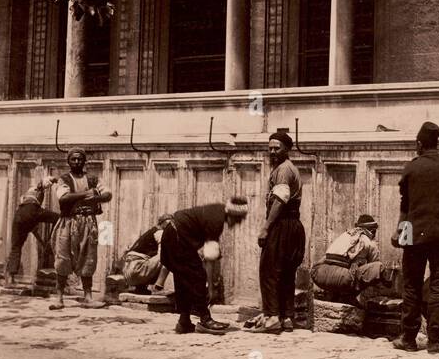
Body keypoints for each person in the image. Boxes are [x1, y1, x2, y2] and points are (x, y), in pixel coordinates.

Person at [394, 121, 439, 354]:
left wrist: (400, 233)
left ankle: (408, 338)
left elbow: (406, 205)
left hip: (414, 231)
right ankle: (434, 338)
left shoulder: (411, 168)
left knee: (411, 283)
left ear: (419, 143)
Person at [160, 197, 249, 335]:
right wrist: (211, 288)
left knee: (184, 279)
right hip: (177, 237)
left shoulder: (218, 212)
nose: (239, 223)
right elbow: (210, 257)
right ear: (233, 214)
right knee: (198, 276)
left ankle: (184, 322)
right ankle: (205, 319)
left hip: (172, 235)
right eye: (239, 219)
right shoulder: (216, 220)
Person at [48, 149, 112, 310]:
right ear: (69, 162)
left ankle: (88, 297)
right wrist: (86, 194)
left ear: (84, 162)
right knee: (63, 258)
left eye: (79, 159)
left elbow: (108, 194)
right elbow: (63, 197)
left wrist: (96, 196)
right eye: (73, 159)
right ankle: (59, 297)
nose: (77, 162)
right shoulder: (63, 179)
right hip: (68, 222)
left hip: (89, 222)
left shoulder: (92, 179)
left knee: (88, 257)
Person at [257, 130, 306, 335]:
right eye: (270, 149)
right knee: (287, 273)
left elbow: (280, 199)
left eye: (277, 148)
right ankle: (287, 318)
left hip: (282, 225)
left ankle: (272, 317)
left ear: (287, 149)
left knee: (269, 271)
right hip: (293, 226)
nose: (273, 152)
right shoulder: (289, 168)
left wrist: (266, 227)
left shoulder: (283, 170)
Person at [312, 215, 384, 305]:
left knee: (344, 266)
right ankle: (348, 296)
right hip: (342, 279)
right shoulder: (370, 242)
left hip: (319, 275)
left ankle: (334, 295)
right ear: (372, 231)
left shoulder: (345, 235)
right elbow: (373, 266)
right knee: (377, 268)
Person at [5, 181, 59, 288]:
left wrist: (43, 243)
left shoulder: (26, 197)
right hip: (32, 210)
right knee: (57, 218)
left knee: (16, 247)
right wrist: (53, 180)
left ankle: (10, 279)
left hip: (19, 215)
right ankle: (51, 241)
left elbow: (32, 229)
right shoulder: (35, 189)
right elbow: (41, 184)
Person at [121, 214, 172, 293]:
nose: (170, 227)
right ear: (162, 223)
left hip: (127, 273)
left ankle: (140, 288)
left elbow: (126, 252)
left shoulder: (150, 232)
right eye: (169, 224)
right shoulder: (160, 232)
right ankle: (158, 287)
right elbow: (163, 253)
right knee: (169, 255)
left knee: (151, 258)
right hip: (137, 269)